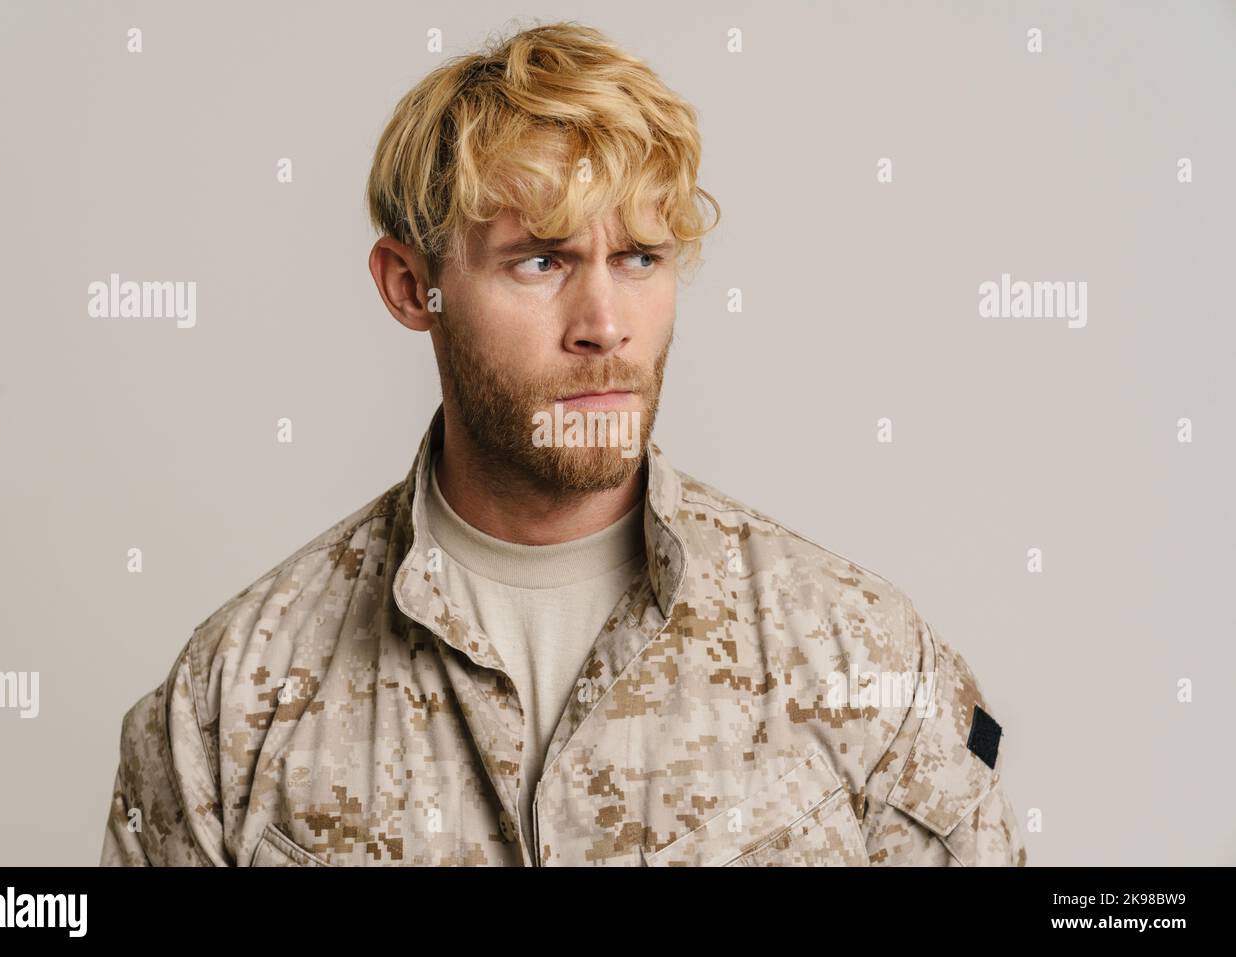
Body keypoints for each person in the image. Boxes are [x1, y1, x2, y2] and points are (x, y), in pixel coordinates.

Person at [101, 21, 1025, 867]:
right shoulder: (230, 702)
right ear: (409, 286)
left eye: (639, 259)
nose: (605, 325)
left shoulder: (863, 656)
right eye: (540, 260)